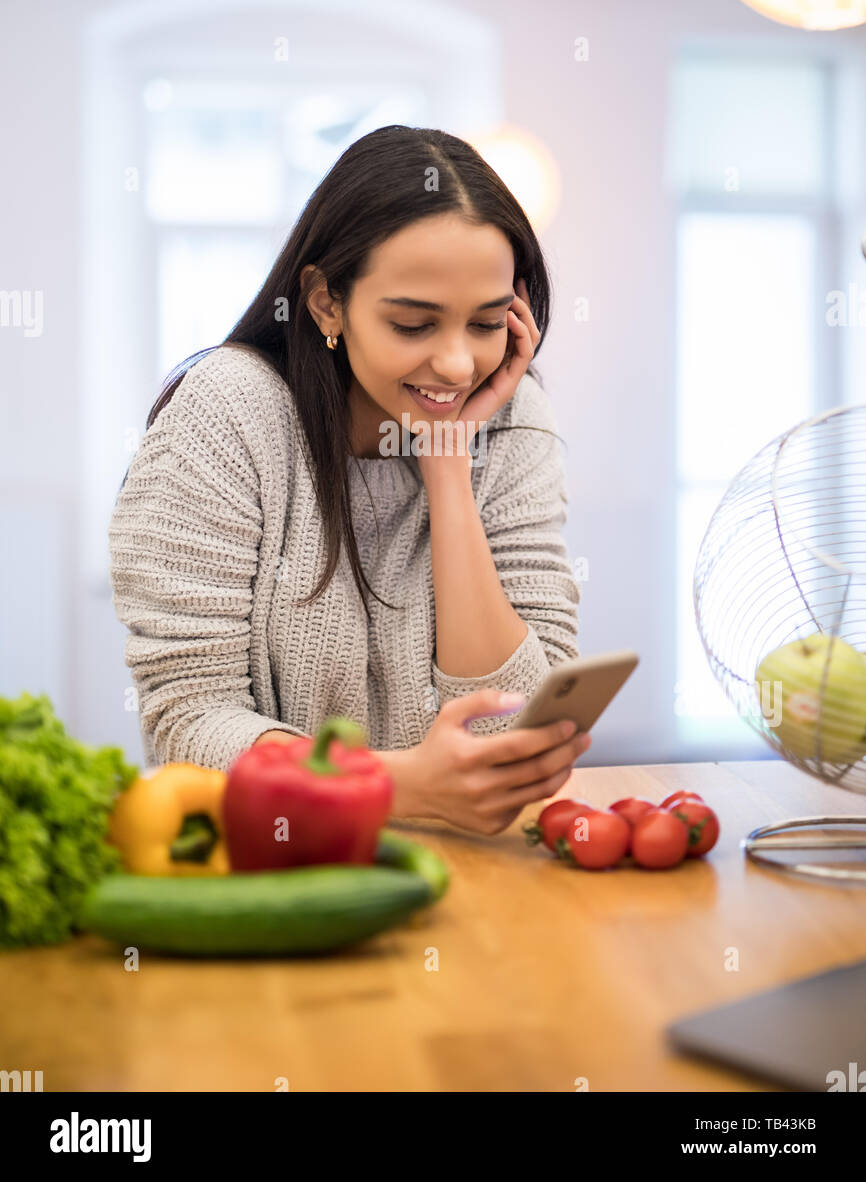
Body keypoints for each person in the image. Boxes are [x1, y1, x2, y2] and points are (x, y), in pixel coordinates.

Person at [109, 124, 591, 835]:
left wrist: (448, 463)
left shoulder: (514, 419)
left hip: (463, 864)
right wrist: (391, 787)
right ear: (326, 302)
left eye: (486, 323)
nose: (459, 366)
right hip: (276, 865)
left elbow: (504, 734)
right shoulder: (227, 413)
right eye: (414, 325)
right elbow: (188, 723)